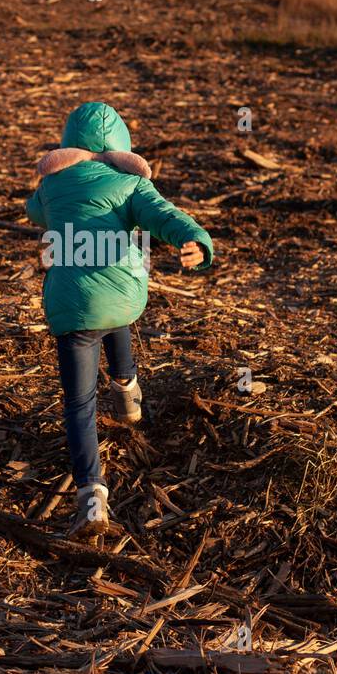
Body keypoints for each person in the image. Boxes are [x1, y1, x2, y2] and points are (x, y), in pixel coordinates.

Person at [25, 102, 213, 537]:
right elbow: (167, 218)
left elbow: (34, 211)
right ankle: (128, 389)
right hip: (125, 296)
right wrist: (195, 241)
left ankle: (92, 495)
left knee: (78, 404)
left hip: (72, 307)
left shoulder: (52, 185)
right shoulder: (131, 185)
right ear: (122, 145)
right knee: (115, 317)